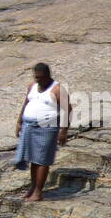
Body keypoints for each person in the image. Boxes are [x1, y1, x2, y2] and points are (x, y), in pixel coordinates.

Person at [14, 63, 70, 202]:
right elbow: (26, 103)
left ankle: (38, 192)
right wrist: (19, 121)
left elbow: (67, 110)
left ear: (47, 75)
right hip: (29, 126)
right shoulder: (32, 86)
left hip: (47, 128)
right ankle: (33, 188)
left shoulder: (57, 89)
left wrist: (63, 131)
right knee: (33, 159)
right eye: (36, 77)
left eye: (40, 77)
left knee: (42, 160)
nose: (37, 80)